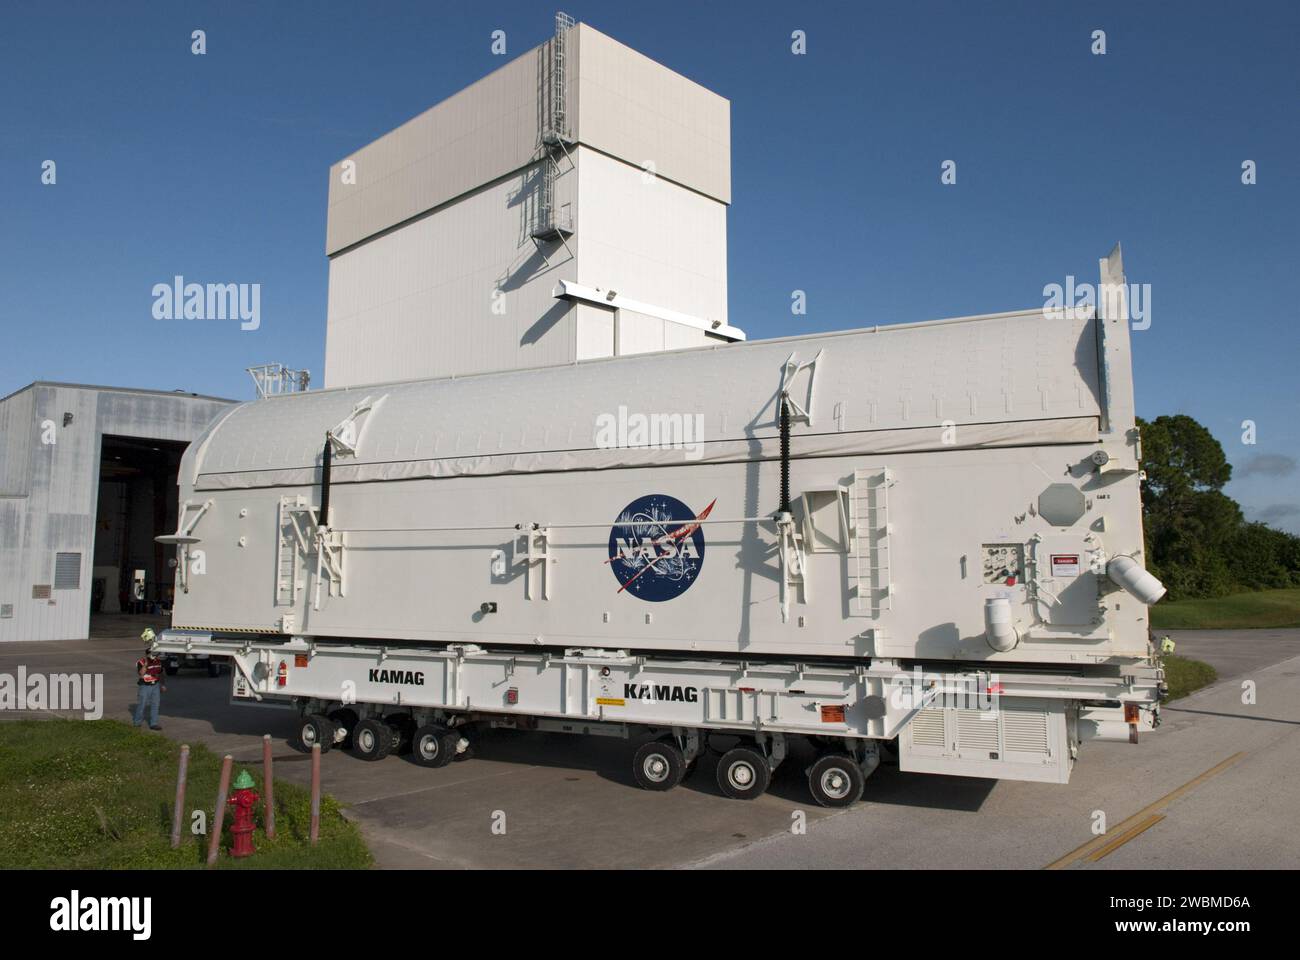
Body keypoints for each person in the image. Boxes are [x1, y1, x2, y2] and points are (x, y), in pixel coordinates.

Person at [133, 627, 165, 730]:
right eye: (151, 654)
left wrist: (162, 685)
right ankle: (137, 722)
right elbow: (141, 674)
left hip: (155, 685)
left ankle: (153, 723)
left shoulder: (158, 662)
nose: (153, 656)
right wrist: (146, 665)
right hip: (145, 686)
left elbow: (161, 673)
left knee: (155, 705)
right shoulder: (141, 662)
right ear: (147, 654)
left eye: (154, 654)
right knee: (142, 704)